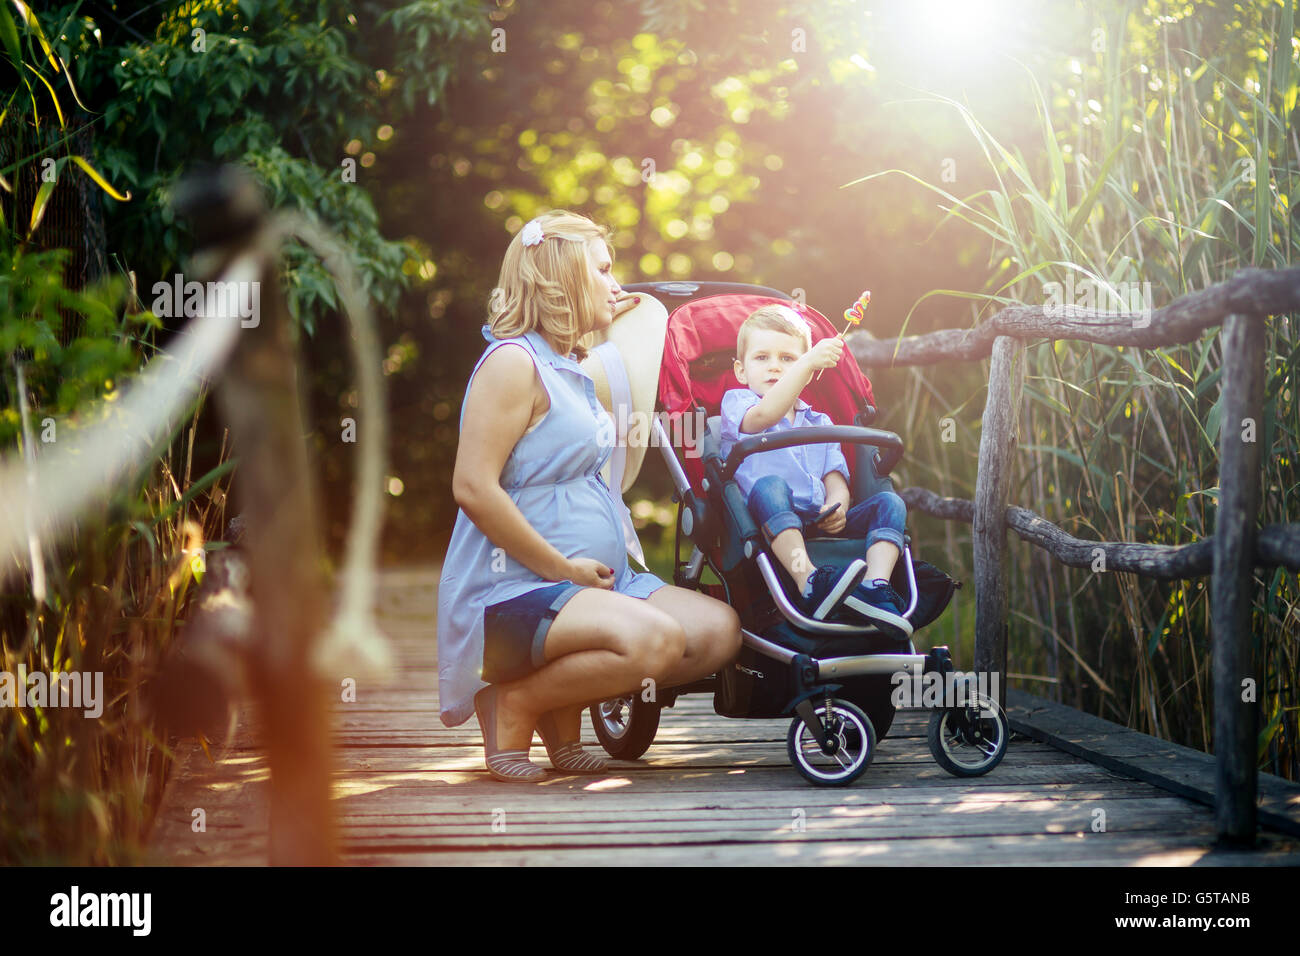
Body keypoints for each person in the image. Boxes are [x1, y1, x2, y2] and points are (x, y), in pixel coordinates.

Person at [437, 210, 742, 782]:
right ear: (562, 279)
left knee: (718, 632)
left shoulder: (571, 364)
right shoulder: (512, 364)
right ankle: (515, 705)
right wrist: (561, 567)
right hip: (522, 583)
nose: (616, 283)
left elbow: (626, 372)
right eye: (602, 270)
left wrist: (618, 325)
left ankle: (558, 712)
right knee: (656, 642)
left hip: (594, 579)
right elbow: (472, 487)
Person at [718, 303, 911, 638]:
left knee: (890, 503)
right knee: (769, 486)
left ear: (808, 374)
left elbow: (834, 478)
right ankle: (809, 580)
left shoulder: (819, 423)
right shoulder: (739, 404)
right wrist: (806, 362)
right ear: (740, 370)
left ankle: (875, 586)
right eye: (762, 358)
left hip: (819, 519)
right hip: (768, 518)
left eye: (788, 359)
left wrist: (837, 505)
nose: (775, 367)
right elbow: (764, 417)